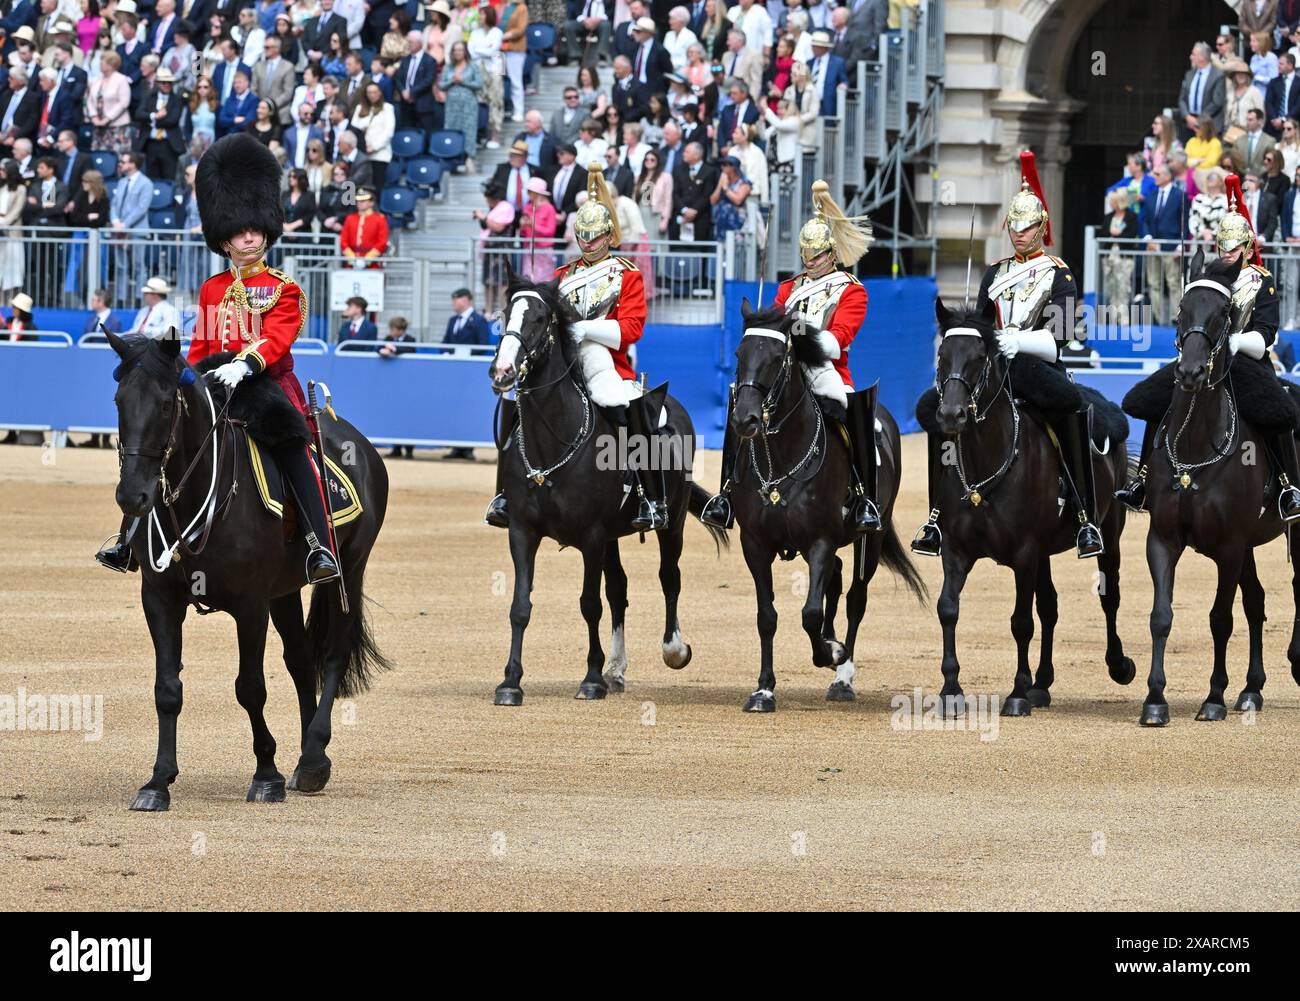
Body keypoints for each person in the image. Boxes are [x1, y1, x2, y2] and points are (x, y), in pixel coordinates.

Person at [96, 136, 342, 578]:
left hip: (265, 386)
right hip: (213, 386)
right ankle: (130, 538)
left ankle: (316, 545)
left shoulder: (283, 286)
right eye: (241, 231)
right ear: (224, 240)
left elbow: (278, 337)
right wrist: (183, 375)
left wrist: (245, 364)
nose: (250, 235)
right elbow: (200, 349)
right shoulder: (211, 289)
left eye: (256, 229)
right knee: (164, 439)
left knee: (291, 448)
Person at [912, 152, 1105, 560]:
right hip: (992, 369)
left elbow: (1062, 340)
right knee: (936, 408)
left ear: (1041, 228)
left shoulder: (1059, 273)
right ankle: (935, 516)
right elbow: (980, 324)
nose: (1019, 233)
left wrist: (1021, 341)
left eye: (1027, 226)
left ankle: (1085, 515)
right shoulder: (994, 273)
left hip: (1037, 366)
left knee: (1070, 406)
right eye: (1014, 226)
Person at [484, 168, 666, 532]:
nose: (587, 243)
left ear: (610, 236)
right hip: (559, 357)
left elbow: (632, 329)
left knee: (619, 401)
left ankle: (649, 496)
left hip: (603, 357)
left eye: (594, 237)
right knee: (512, 399)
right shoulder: (563, 275)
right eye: (581, 236)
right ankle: (504, 491)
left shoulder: (627, 274)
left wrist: (586, 328)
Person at [1117, 175, 1300, 523]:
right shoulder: (1208, 279)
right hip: (1204, 360)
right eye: (1223, 247)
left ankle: (1288, 485)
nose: (1227, 253)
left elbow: (1266, 335)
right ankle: (1142, 479)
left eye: (1234, 248)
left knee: (1279, 410)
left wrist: (1235, 341)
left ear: (1247, 248)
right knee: (1158, 401)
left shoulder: (1262, 281)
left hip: (1247, 362)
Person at [1141, 163, 1188, 326]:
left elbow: (1185, 222)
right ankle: (1159, 317)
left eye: (1158, 174)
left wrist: (1181, 246)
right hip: (1153, 246)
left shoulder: (1180, 195)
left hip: (1171, 245)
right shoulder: (1151, 196)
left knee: (1173, 282)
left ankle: (1176, 317)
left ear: (1168, 176)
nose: (1154, 177)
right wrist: (1148, 238)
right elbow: (1145, 221)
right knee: (1154, 283)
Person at [439, 39, 482, 174]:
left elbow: (479, 84)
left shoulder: (473, 66)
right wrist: (452, 81)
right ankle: (452, 160)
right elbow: (441, 85)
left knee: (468, 131)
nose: (458, 53)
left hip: (468, 104)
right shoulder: (448, 67)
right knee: (452, 129)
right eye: (455, 50)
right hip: (452, 105)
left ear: (465, 52)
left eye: (460, 50)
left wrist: (463, 81)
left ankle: (469, 158)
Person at [518, 175, 556, 281]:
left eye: (530, 191)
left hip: (543, 251)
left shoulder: (549, 209)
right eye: (528, 191)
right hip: (529, 250)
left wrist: (533, 225)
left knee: (543, 281)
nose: (528, 194)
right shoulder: (528, 207)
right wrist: (522, 226)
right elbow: (524, 232)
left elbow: (550, 231)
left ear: (537, 193)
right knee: (528, 279)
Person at [339, 186, 387, 261]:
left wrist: (369, 257)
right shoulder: (350, 219)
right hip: (351, 262)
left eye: (363, 201)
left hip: (372, 263)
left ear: (372, 203)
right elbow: (343, 240)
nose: (359, 203)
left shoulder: (380, 219)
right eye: (358, 201)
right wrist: (351, 256)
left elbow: (382, 242)